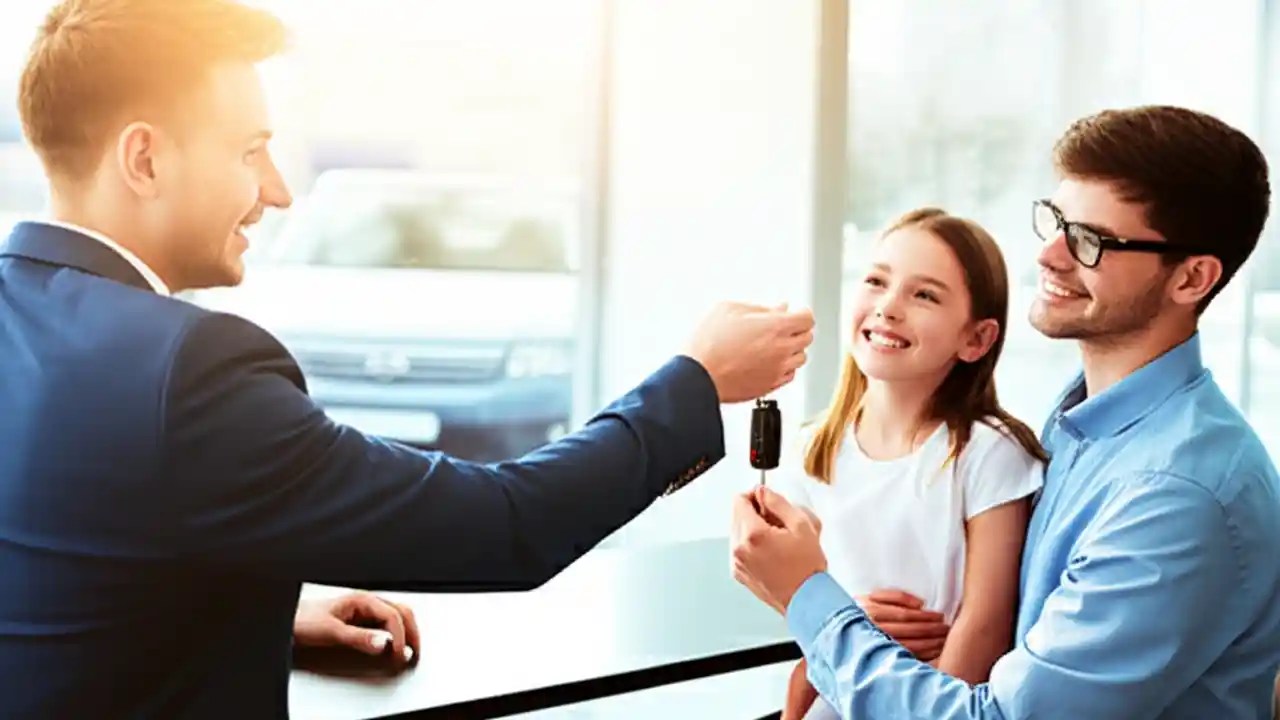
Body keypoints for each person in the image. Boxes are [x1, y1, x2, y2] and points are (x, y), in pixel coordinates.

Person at [0, 1, 814, 717]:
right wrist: (699, 380)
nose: (279, 190)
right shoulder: (187, 371)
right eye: (250, 150)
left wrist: (254, 605)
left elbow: (55, 545)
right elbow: (507, 524)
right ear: (143, 159)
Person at [731, 104, 1280, 719]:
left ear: (1191, 279)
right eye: (1055, 222)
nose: (1049, 256)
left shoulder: (1177, 494)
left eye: (1090, 241)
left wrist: (807, 598)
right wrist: (846, 624)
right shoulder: (1087, 425)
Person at [773, 208, 1046, 720]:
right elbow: (801, 608)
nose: (889, 307)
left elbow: (985, 625)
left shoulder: (987, 452)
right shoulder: (813, 451)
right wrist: (847, 621)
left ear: (977, 340)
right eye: (877, 280)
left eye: (924, 295)